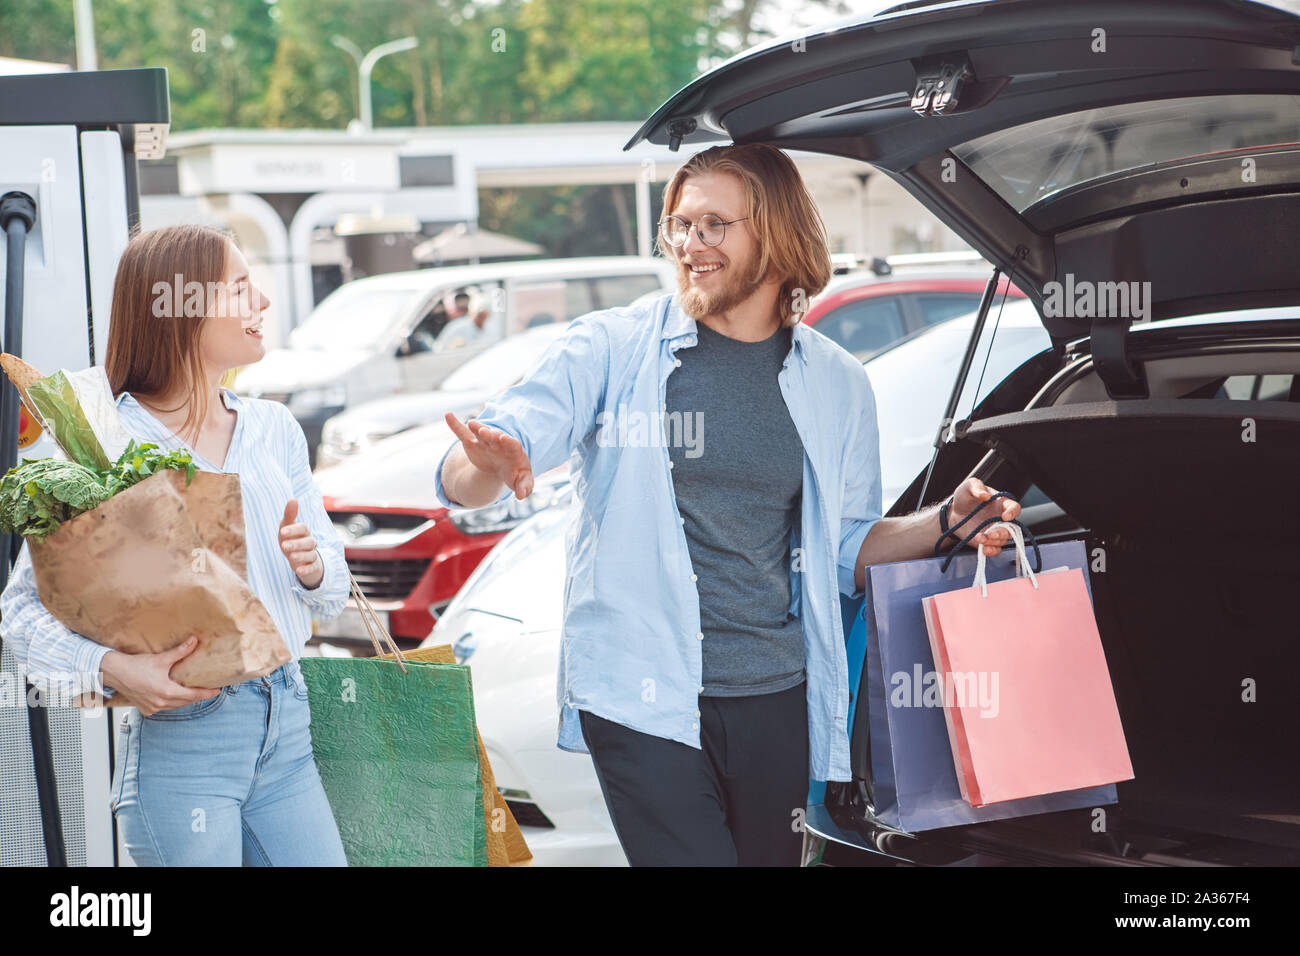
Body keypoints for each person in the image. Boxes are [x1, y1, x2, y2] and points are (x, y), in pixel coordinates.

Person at [433, 142, 1022, 867]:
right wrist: (486, 465)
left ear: (774, 234)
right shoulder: (614, 350)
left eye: (714, 225)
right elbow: (474, 464)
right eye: (679, 225)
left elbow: (843, 548)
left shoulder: (835, 383)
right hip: (641, 698)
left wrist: (946, 524)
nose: (689, 244)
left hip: (776, 694)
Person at [0, 223, 351, 866]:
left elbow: (331, 591)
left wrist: (312, 565)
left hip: (288, 721)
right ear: (183, 309)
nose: (262, 303)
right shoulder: (105, 438)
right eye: (241, 288)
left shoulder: (274, 428)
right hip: (184, 742)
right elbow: (20, 613)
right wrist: (116, 671)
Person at [433, 287, 497, 351]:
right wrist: (452, 346)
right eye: (479, 315)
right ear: (471, 312)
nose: (481, 318)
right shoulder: (456, 327)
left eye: (484, 315)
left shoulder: (492, 328)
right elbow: (438, 348)